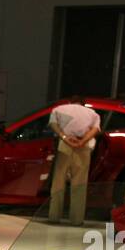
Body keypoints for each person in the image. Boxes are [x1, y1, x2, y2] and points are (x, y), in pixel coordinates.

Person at [47, 95, 100, 226]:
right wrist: (82, 141)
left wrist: (64, 137)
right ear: (83, 103)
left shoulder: (59, 109)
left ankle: (54, 217)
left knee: (58, 182)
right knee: (79, 184)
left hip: (64, 146)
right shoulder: (92, 113)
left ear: (70, 102)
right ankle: (76, 220)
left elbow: (53, 124)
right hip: (83, 147)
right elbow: (95, 130)